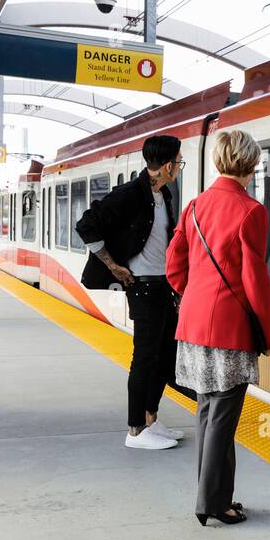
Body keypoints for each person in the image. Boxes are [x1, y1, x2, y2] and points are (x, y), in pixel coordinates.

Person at [166, 131, 270, 526]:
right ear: (251, 164)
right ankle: (211, 502)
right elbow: (256, 281)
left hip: (193, 325)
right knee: (223, 418)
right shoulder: (251, 211)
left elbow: (174, 265)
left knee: (207, 411)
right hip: (229, 329)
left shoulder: (195, 205)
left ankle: (214, 495)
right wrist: (268, 332)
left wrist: (195, 294)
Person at [76, 134, 186, 450]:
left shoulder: (164, 195)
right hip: (142, 289)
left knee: (165, 358)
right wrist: (113, 265)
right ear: (168, 165)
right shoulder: (128, 195)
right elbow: (86, 226)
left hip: (164, 287)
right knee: (145, 359)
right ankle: (136, 430)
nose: (178, 166)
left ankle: (150, 418)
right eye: (178, 162)